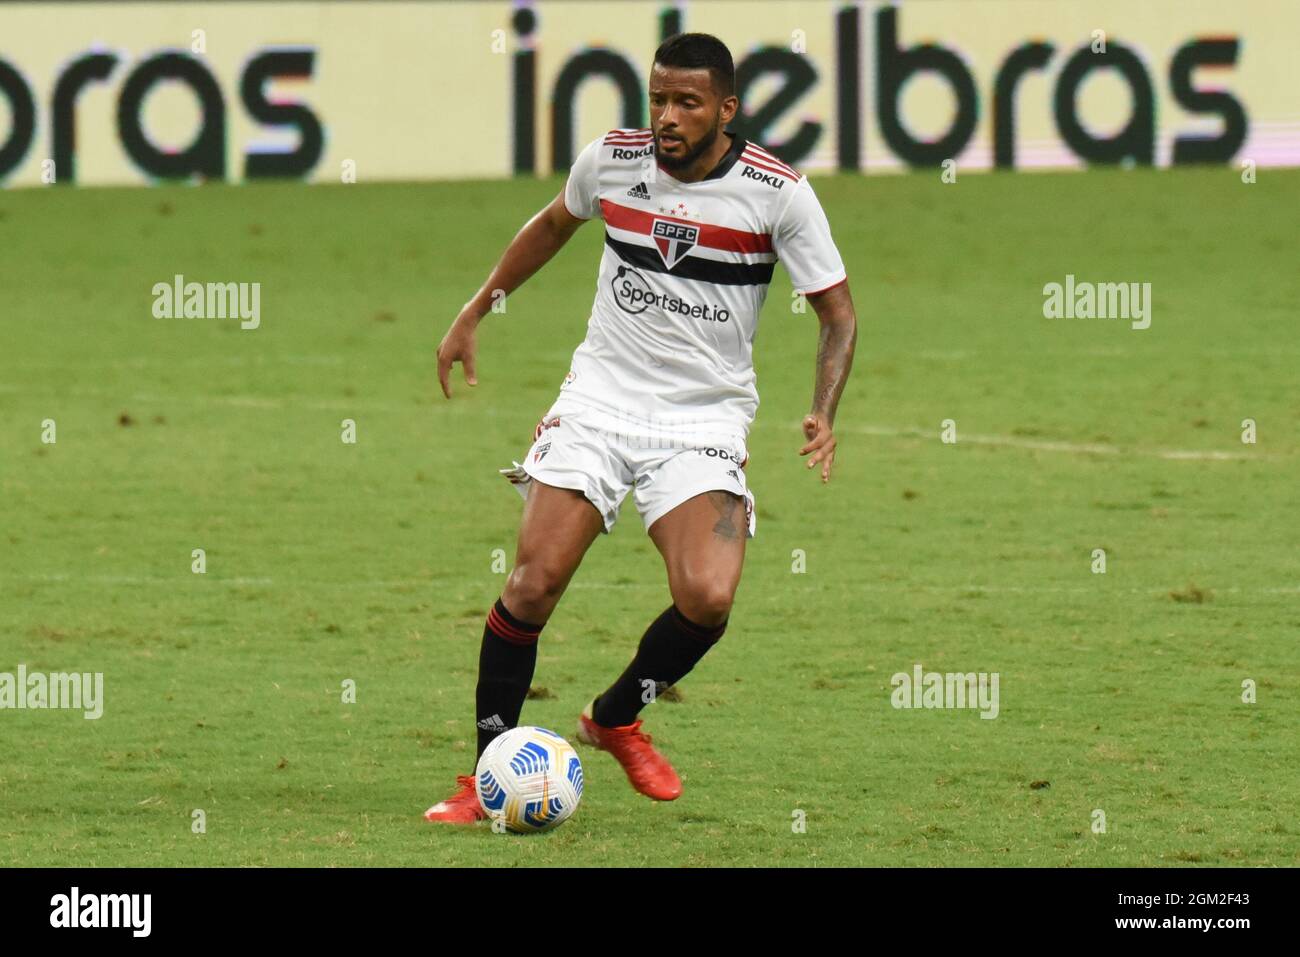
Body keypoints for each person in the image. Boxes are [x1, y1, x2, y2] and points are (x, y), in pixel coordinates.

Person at [426, 32, 857, 823]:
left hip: (703, 418)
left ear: (726, 110)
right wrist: (476, 307)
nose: (666, 116)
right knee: (532, 582)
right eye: (657, 98)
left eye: (687, 102)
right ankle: (486, 773)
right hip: (599, 401)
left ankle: (616, 714)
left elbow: (837, 313)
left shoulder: (778, 192)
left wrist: (823, 411)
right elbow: (553, 225)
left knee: (708, 596)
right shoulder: (612, 162)